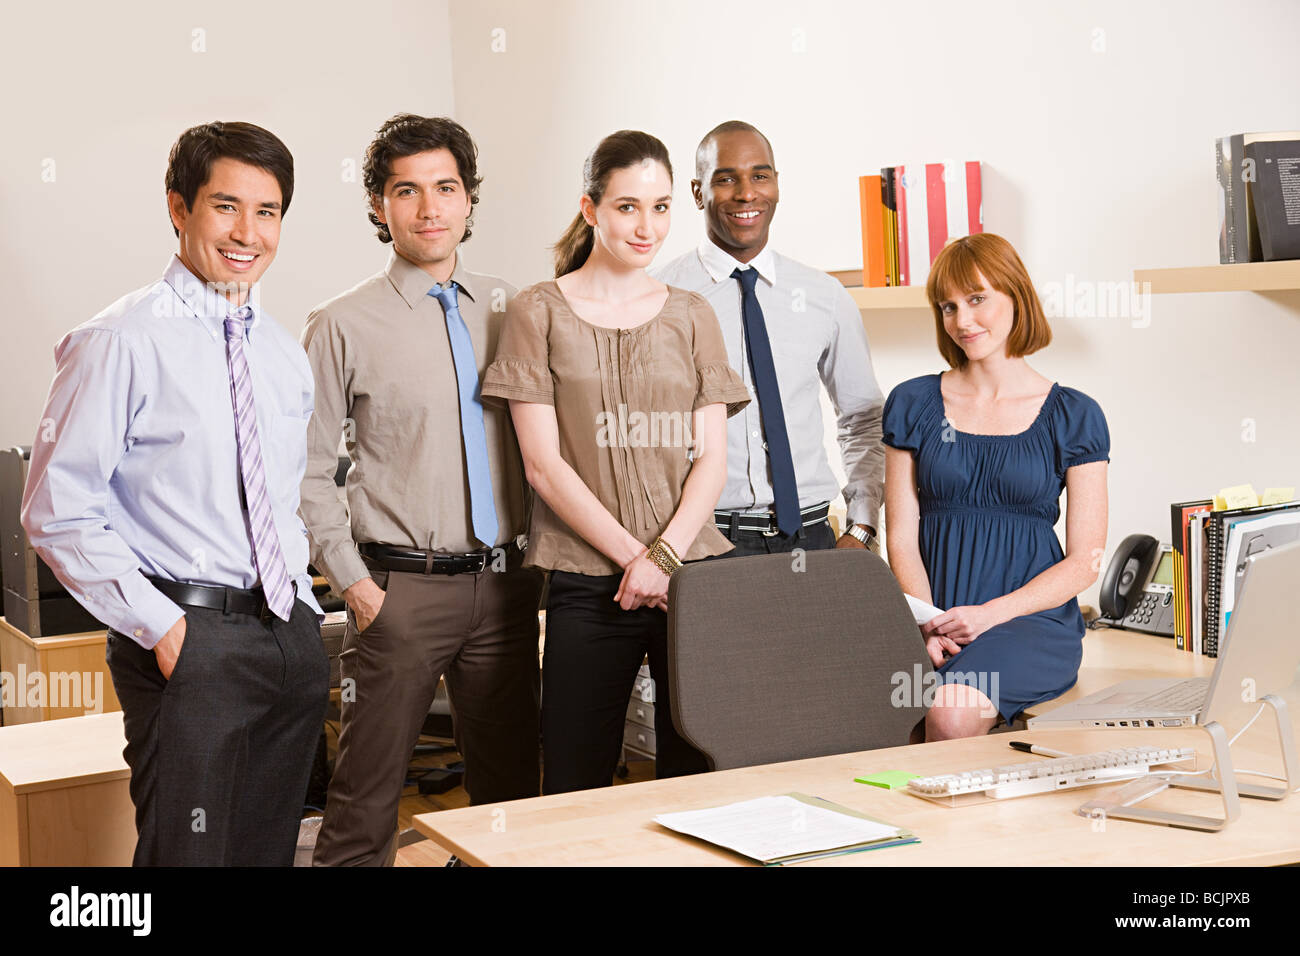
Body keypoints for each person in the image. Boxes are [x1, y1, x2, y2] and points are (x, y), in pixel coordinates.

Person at [20, 121, 329, 865]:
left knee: (266, 852)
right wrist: (162, 630)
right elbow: (55, 510)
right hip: (190, 639)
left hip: (287, 637)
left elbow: (277, 502)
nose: (247, 232)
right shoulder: (120, 340)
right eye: (226, 206)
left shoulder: (285, 355)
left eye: (268, 211)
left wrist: (305, 620)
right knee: (185, 857)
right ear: (178, 208)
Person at [300, 114, 544, 866]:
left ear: (469, 198)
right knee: (365, 804)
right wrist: (356, 586)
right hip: (399, 592)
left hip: (507, 590)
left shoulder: (516, 307)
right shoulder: (339, 324)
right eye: (407, 191)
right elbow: (302, 472)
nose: (429, 208)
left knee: (512, 801)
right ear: (379, 205)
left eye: (445, 188)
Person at [481, 130, 750, 794]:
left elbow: (711, 460)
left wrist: (661, 560)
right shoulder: (535, 311)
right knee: (574, 777)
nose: (646, 225)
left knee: (695, 778)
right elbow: (543, 465)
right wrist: (634, 559)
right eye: (628, 206)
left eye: (661, 207)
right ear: (590, 207)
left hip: (691, 573)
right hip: (583, 580)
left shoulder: (692, 316)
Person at [882, 233, 1109, 740]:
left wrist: (988, 616)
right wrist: (928, 623)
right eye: (948, 306)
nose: (962, 321)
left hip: (1026, 622)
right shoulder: (911, 402)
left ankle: (942, 821)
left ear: (1016, 295)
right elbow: (900, 534)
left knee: (951, 711)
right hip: (927, 615)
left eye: (977, 298)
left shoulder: (1074, 414)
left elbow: (1084, 561)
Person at [654, 120, 885, 556]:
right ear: (697, 192)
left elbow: (862, 419)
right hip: (706, 542)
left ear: (776, 184)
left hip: (815, 539)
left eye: (760, 176)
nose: (746, 194)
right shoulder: (659, 297)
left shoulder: (824, 296)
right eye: (726, 179)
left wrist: (863, 526)